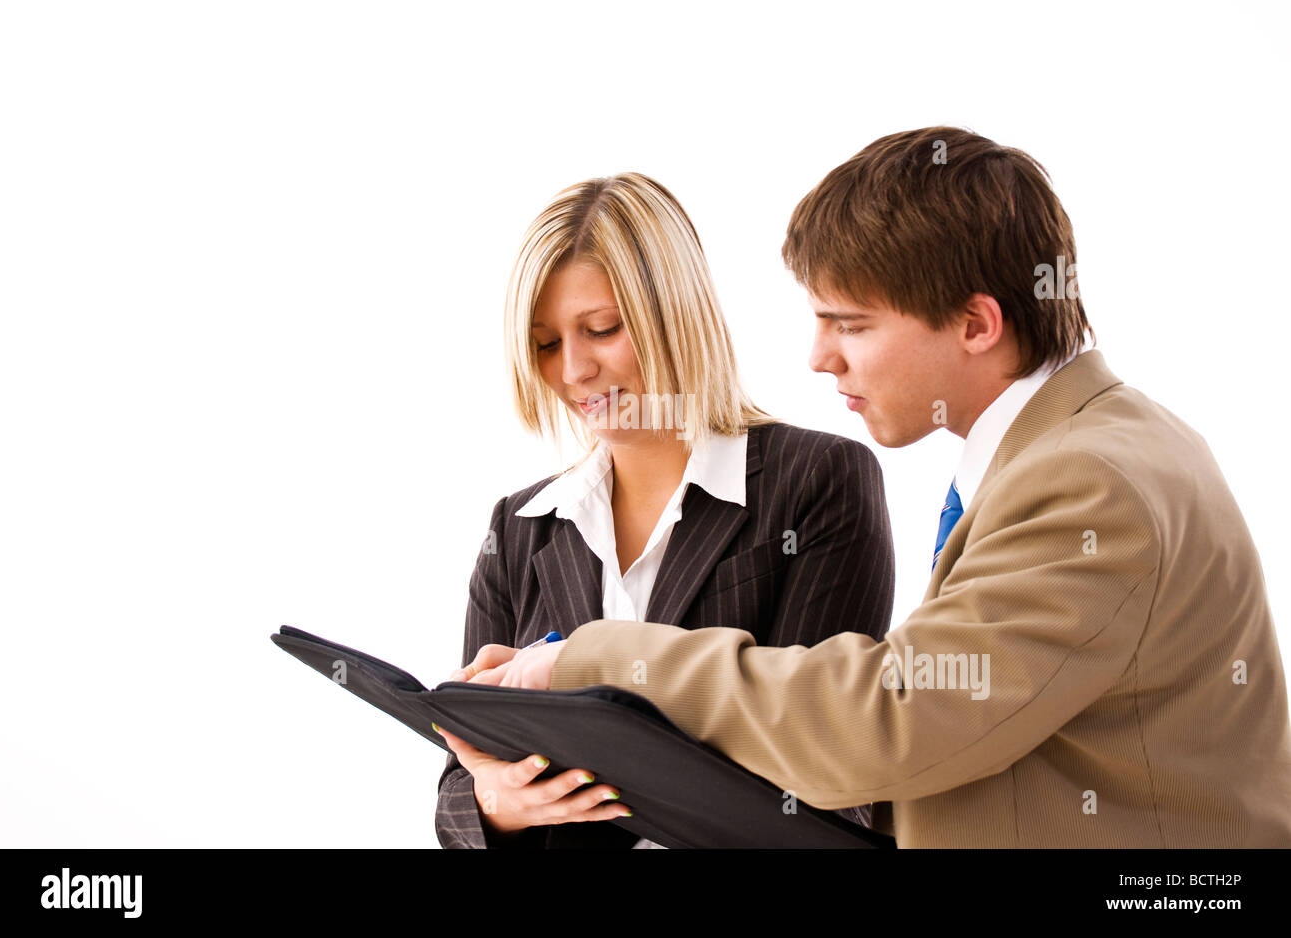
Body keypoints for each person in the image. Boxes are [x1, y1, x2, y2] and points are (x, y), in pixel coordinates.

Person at [457, 128, 1291, 847]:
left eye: (850, 325)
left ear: (975, 324)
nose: (819, 357)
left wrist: (587, 663)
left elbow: (887, 725)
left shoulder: (1088, 480)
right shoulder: (1077, 451)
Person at [434, 171, 896, 848]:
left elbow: (831, 761)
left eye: (601, 329)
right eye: (546, 344)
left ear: (674, 312)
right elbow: (454, 795)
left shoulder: (815, 482)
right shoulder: (520, 527)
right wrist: (499, 803)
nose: (573, 371)